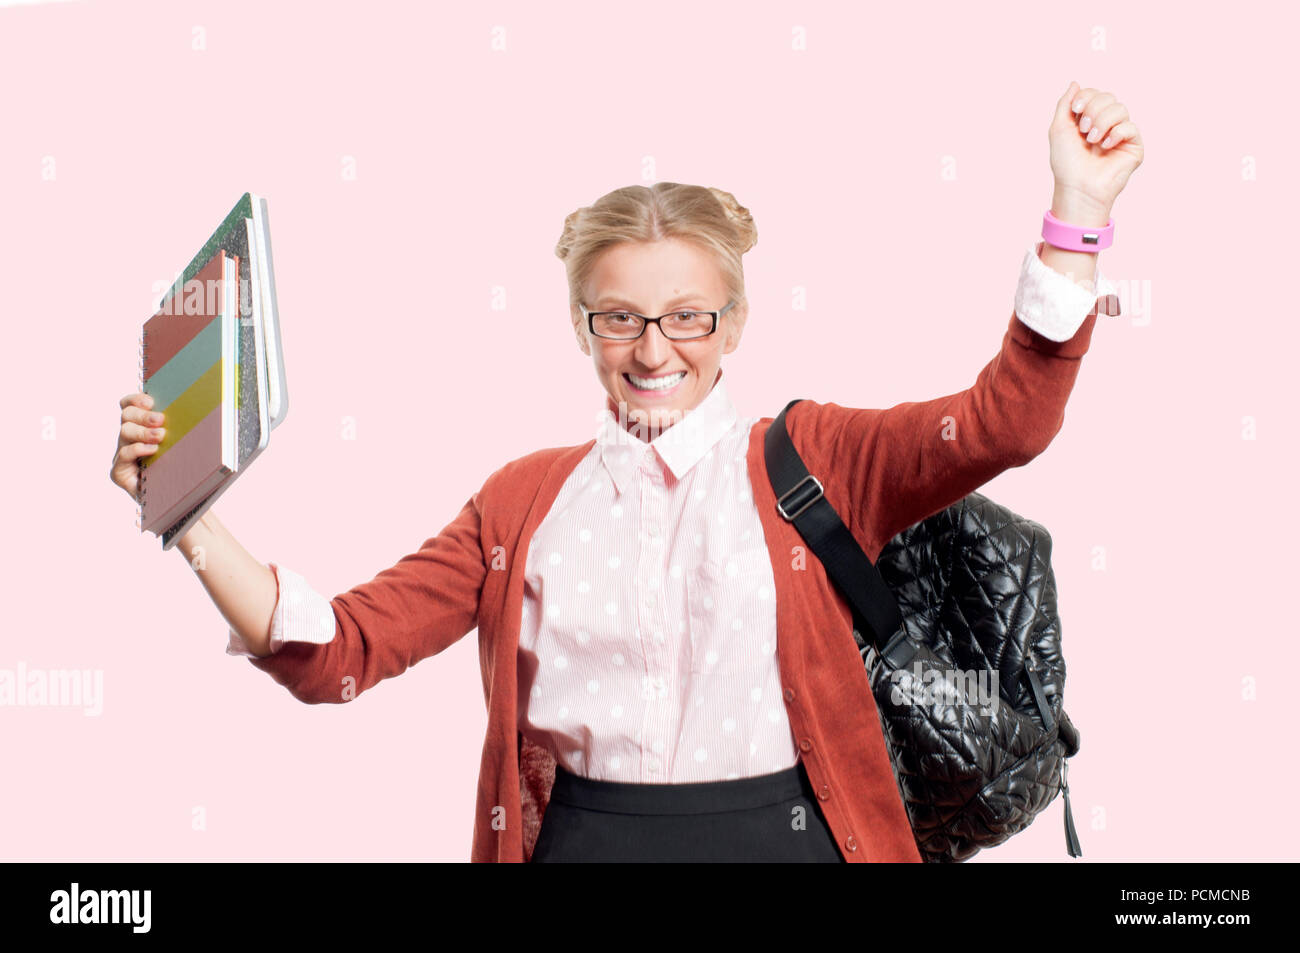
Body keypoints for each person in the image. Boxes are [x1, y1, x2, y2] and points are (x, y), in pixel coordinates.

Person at [110, 81, 1142, 862]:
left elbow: (1007, 419)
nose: (654, 350)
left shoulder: (823, 454)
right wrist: (189, 514)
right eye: (620, 318)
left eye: (687, 315)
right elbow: (338, 652)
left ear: (731, 324)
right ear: (582, 326)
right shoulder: (523, 498)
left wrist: (1075, 213)